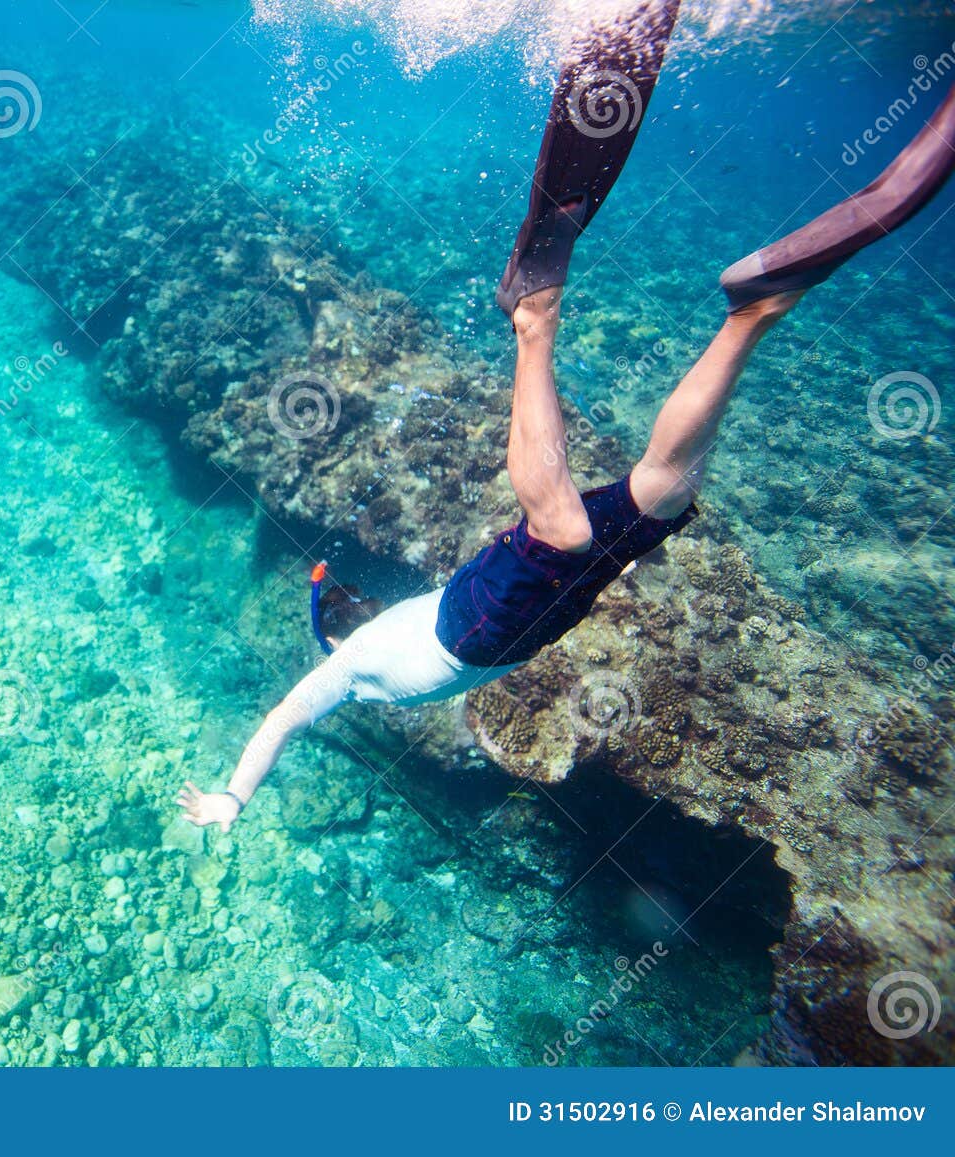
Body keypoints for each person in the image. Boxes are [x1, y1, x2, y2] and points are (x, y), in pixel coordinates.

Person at [179, 3, 955, 833]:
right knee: (663, 491)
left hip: (478, 629)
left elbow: (280, 723)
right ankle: (754, 315)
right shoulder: (373, 637)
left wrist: (234, 795)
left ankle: (532, 322)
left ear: (337, 638)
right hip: (516, 621)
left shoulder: (340, 670)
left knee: (563, 533)